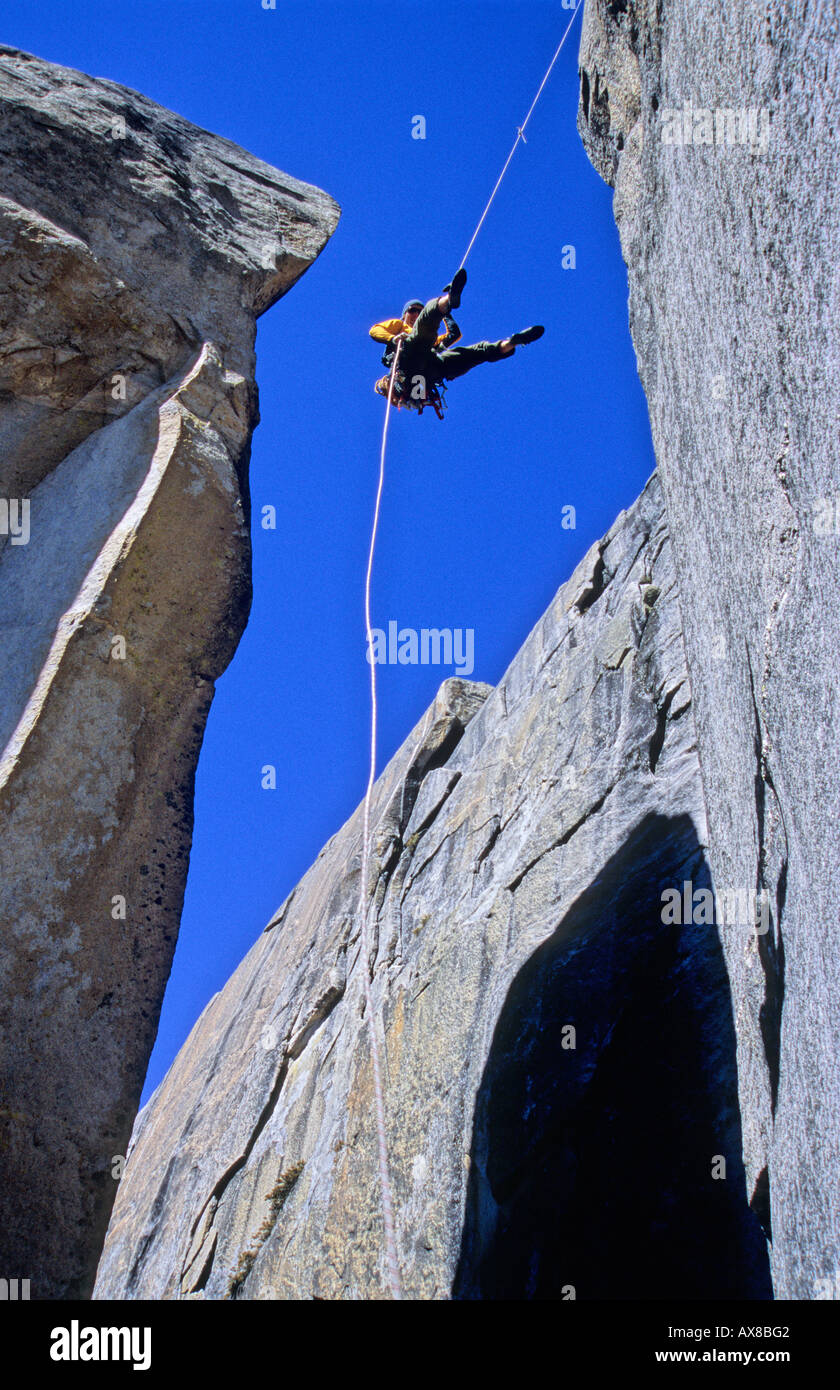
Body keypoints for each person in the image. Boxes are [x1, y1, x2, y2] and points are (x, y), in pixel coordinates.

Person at [369, 268, 544, 411]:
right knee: (423, 333)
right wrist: (393, 339)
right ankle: (443, 302)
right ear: (405, 314)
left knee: (468, 354)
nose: (415, 313)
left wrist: (448, 309)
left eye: (418, 311)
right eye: (412, 310)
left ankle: (510, 343)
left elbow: (454, 335)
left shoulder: (430, 335)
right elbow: (375, 330)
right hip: (409, 361)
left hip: (430, 367)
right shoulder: (399, 325)